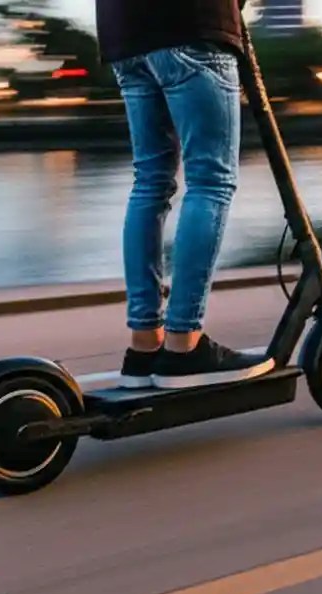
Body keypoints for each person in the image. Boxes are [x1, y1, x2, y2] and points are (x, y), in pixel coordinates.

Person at [97, 0, 275, 390]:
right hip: (193, 22)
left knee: (150, 182)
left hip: (124, 31)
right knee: (211, 180)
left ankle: (145, 343)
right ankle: (183, 344)